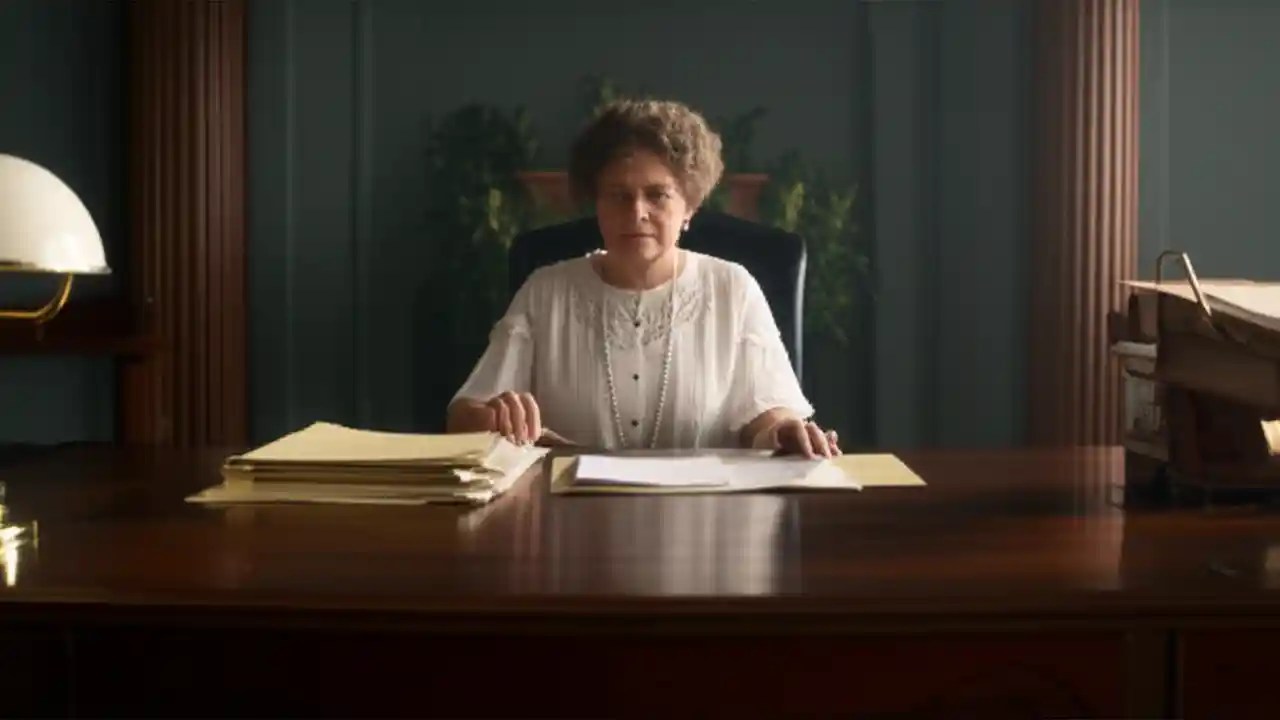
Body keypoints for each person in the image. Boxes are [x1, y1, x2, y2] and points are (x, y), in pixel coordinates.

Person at [446, 98, 840, 458]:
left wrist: (786, 431)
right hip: (569, 522)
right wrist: (494, 418)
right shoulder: (545, 291)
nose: (637, 213)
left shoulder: (733, 289)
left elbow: (767, 415)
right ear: (596, 204)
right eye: (618, 195)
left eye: (657, 195)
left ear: (690, 206)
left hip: (707, 520)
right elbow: (462, 418)